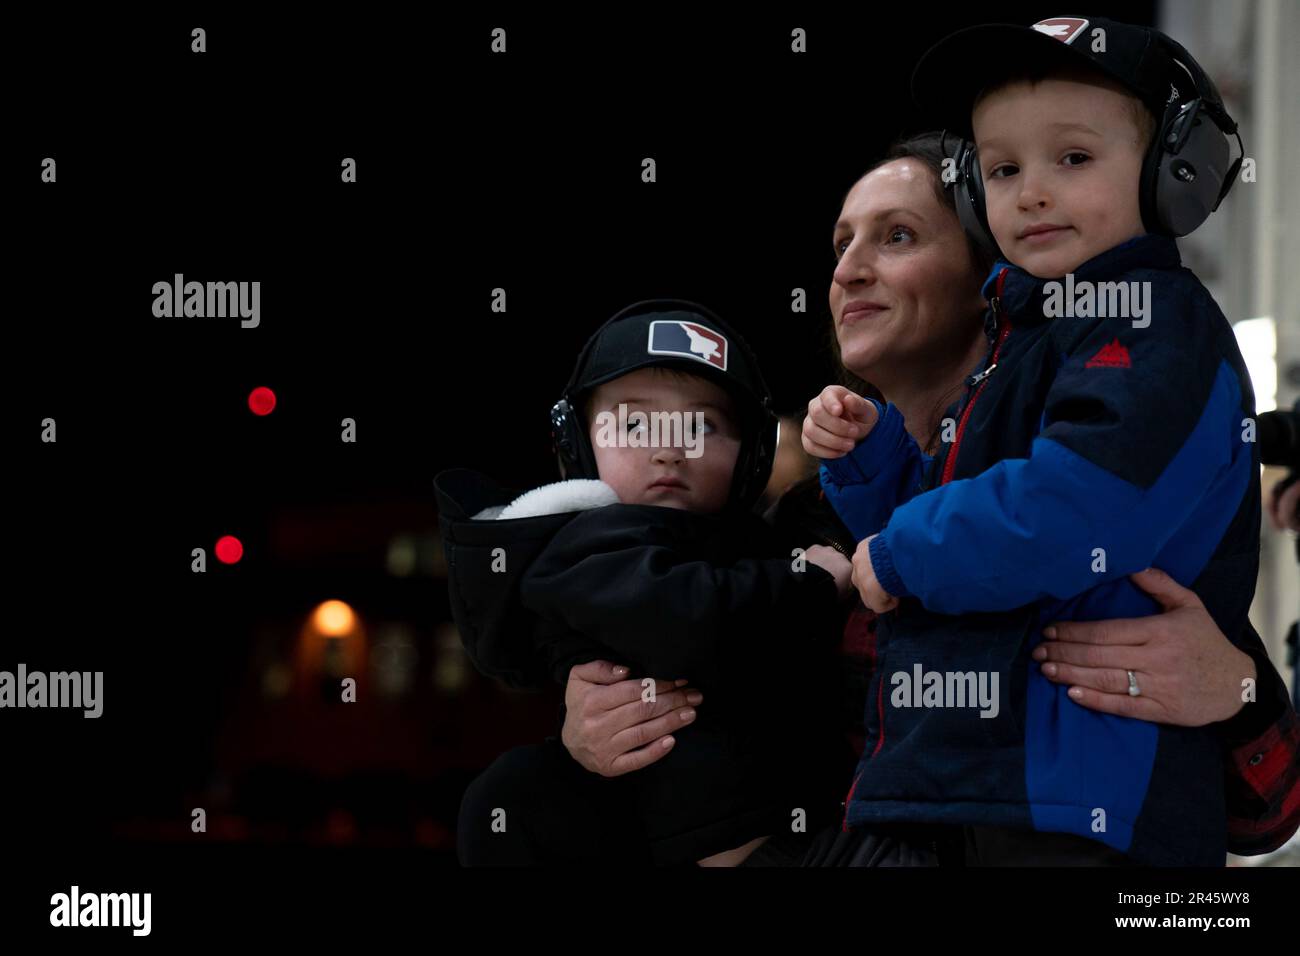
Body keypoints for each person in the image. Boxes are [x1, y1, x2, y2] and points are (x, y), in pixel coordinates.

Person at [558, 126, 1300, 864]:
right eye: (842, 244)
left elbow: (1269, 819)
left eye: (898, 237)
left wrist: (1238, 688)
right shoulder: (800, 526)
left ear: (995, 277)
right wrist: (593, 718)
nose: (849, 270)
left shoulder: (1061, 500)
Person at [436, 300, 856, 866]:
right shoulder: (588, 544)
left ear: (752, 455)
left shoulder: (755, 538)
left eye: (703, 425)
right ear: (578, 446)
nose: (668, 447)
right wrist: (810, 584)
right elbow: (691, 617)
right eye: (634, 423)